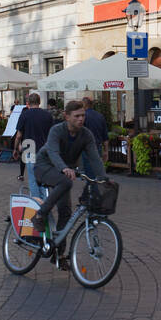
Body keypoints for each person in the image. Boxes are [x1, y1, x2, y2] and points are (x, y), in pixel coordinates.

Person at [30, 99, 108, 257]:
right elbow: (53, 153)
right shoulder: (57, 130)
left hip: (63, 171)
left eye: (83, 116)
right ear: (66, 116)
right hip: (45, 166)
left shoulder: (86, 134)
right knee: (65, 182)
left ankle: (58, 254)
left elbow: (94, 158)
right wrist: (64, 168)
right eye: (77, 116)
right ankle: (39, 214)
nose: (81, 119)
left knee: (65, 212)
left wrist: (104, 178)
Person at [15, 92, 54, 200]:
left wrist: (16, 148)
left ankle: (36, 203)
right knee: (43, 177)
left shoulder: (24, 115)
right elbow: (52, 134)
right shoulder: (47, 115)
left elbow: (18, 135)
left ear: (28, 103)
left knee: (32, 178)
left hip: (29, 148)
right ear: (39, 102)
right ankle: (45, 202)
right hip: (44, 149)